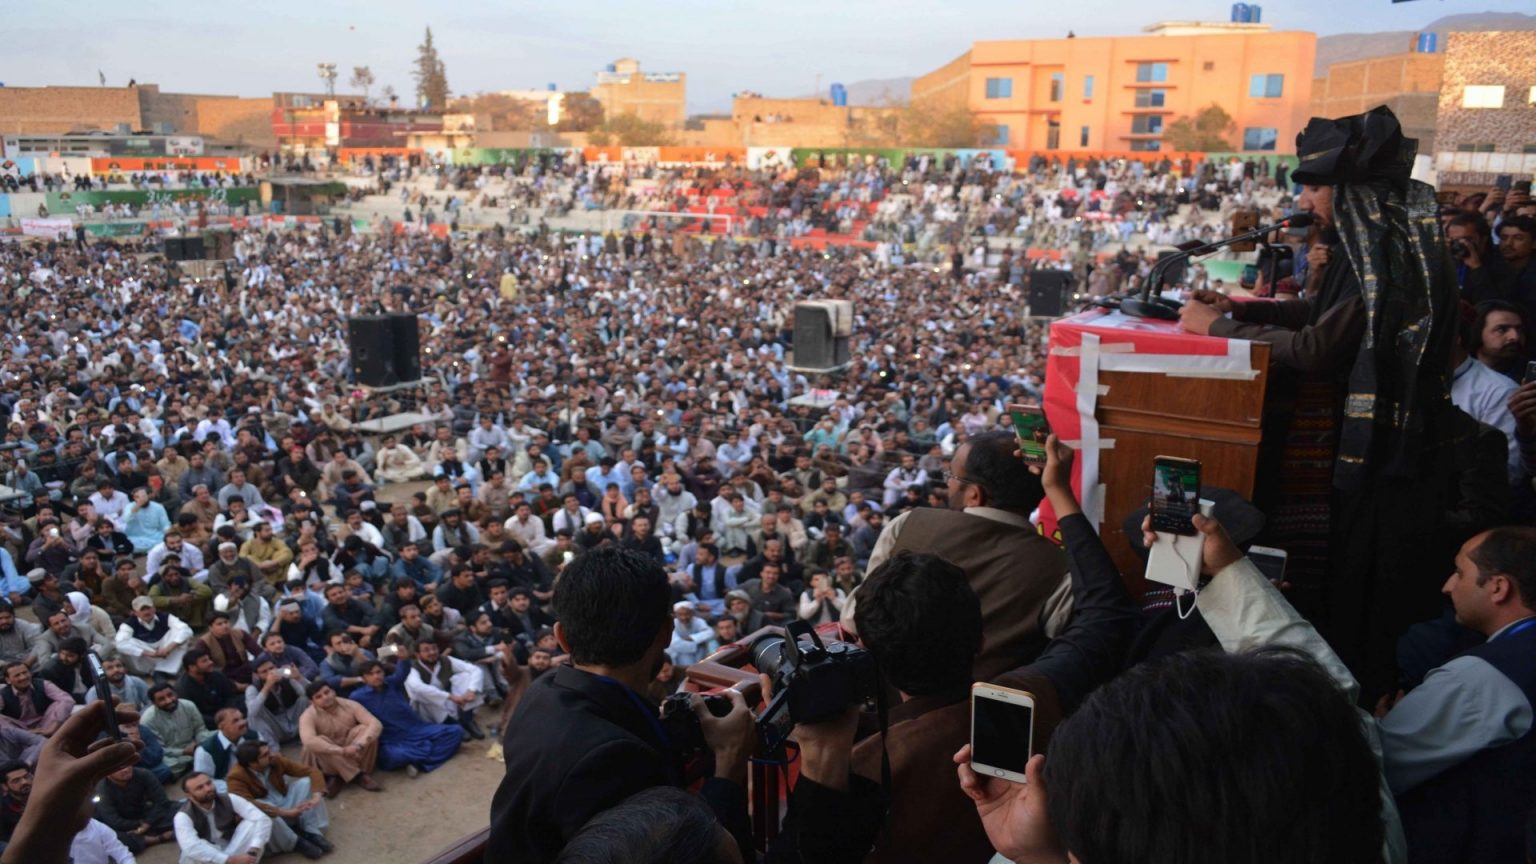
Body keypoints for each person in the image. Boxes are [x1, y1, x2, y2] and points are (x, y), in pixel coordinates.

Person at [485, 546, 755, 864]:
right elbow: (678, 851)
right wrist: (728, 766)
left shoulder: (542, 691)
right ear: (667, 632)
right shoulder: (613, 759)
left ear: (561, 637)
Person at [847, 430, 1072, 679]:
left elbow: (854, 618)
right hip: (988, 713)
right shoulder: (1060, 568)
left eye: (952, 476)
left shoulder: (910, 524)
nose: (948, 483)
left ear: (974, 494)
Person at [1381, 526, 1536, 860]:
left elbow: (1379, 763)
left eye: (1459, 572)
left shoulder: (1484, 677)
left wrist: (1389, 723)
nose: (1448, 586)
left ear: (1498, 587)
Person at [349, 659, 465, 776]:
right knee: (393, 756)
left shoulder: (392, 683)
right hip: (391, 738)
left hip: (416, 729)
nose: (376, 676)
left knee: (456, 731)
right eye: (371, 674)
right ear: (363, 678)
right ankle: (428, 748)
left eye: (379, 672)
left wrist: (403, 658)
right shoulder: (357, 697)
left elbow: (403, 671)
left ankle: (420, 763)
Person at [226, 740, 332, 857]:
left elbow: (312, 772)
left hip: (285, 800)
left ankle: (311, 831)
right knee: (259, 809)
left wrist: (316, 797)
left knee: (306, 783)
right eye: (265, 755)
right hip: (271, 813)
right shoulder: (235, 777)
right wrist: (286, 812)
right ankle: (296, 842)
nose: (271, 755)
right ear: (252, 763)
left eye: (269, 751)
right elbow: (249, 804)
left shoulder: (275, 760)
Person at [172, 771, 287, 864]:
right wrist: (229, 860)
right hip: (208, 856)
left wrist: (253, 850)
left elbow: (262, 819)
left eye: (209, 783)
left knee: (254, 823)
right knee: (190, 853)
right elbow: (191, 847)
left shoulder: (229, 799)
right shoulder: (182, 816)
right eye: (200, 788)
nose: (208, 789)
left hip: (233, 847)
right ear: (189, 795)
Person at [297, 680, 383, 797]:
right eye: (319, 697)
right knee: (314, 744)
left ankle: (339, 777)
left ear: (333, 691)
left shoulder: (350, 704)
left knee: (364, 729)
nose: (325, 697)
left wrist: (358, 745)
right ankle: (356, 775)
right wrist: (341, 751)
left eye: (327, 692)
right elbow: (308, 740)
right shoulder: (307, 716)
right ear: (312, 702)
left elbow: (375, 723)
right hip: (330, 756)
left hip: (353, 750)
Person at [402, 639, 485, 738]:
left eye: (434, 648)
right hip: (430, 708)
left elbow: (475, 670)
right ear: (418, 655)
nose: (432, 652)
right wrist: (450, 697)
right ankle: (452, 724)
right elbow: (417, 687)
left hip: (452, 701)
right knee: (422, 694)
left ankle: (467, 719)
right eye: (426, 650)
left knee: (466, 676)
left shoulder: (445, 660)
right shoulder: (413, 668)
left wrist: (471, 690)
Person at [94, 763, 178, 855]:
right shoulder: (102, 789)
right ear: (107, 773)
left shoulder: (143, 774)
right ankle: (156, 839)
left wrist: (146, 824)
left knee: (182, 811)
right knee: (109, 837)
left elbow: (162, 802)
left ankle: (147, 834)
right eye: (118, 769)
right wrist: (139, 825)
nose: (125, 770)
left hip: (146, 816)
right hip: (125, 826)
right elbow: (113, 820)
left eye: (127, 765)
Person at [141, 684, 210, 779]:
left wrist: (198, 744)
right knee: (164, 766)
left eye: (170, 695)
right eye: (161, 699)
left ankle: (190, 764)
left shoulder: (188, 705)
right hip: (172, 755)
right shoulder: (148, 720)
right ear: (153, 703)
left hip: (195, 744)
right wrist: (183, 751)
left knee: (217, 737)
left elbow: (200, 728)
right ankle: (192, 762)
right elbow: (159, 749)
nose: (168, 700)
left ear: (176, 694)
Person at [115, 596, 194, 678]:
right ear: (135, 613)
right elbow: (120, 644)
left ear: (154, 609)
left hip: (165, 651)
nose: (146, 612)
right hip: (146, 658)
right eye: (142, 610)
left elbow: (186, 630)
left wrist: (169, 648)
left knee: (182, 634)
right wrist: (151, 654)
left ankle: (166, 670)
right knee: (126, 643)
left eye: (148, 608)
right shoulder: (128, 624)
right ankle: (158, 670)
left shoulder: (165, 617)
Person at [245, 657, 309, 748]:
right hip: (276, 729)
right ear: (256, 675)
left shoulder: (287, 678)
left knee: (304, 699)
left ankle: (309, 735)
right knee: (254, 715)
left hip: (296, 723)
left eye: (272, 668)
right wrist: (267, 687)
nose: (270, 673)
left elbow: (311, 693)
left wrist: (299, 678)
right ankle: (274, 750)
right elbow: (251, 712)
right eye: (264, 671)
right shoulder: (252, 689)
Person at [190, 708, 260, 792]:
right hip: (229, 790)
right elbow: (203, 781)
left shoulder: (254, 736)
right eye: (235, 721)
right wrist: (235, 786)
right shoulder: (205, 751)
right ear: (221, 726)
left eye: (242, 718)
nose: (243, 722)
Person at [0, 661, 73, 736]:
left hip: (46, 723)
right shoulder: (3, 694)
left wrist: (52, 729)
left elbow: (67, 700)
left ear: (30, 673)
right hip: (18, 729)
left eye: (25, 673)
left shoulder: (43, 684)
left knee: (61, 703)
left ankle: (49, 733)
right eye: (17, 675)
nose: (23, 677)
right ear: (8, 680)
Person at [175, 651, 242, 728]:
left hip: (227, 713)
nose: (211, 662)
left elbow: (230, 696)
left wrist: (229, 714)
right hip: (206, 723)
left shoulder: (217, 675)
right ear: (192, 667)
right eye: (204, 661)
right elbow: (192, 714)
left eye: (209, 659)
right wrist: (220, 721)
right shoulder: (183, 688)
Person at [83, 655, 151, 711]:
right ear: (102, 673)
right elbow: (92, 714)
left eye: (119, 666)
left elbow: (150, 704)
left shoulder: (136, 682)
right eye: (110, 668)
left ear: (125, 668)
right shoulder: (95, 691)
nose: (116, 670)